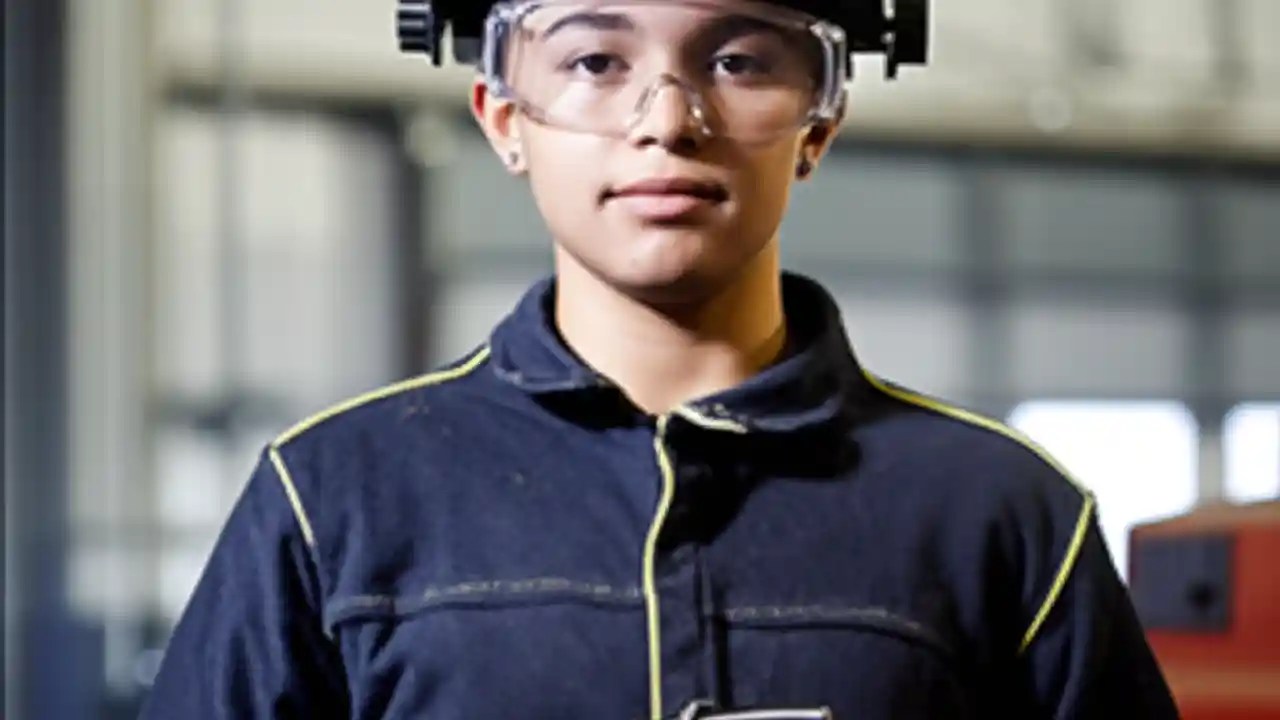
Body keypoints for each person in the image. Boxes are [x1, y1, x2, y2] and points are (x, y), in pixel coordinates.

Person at [141, 0, 1180, 718]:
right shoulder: (334, 498)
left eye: (737, 63)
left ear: (818, 126)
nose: (667, 124)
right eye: (595, 63)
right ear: (505, 120)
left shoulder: (1000, 513)